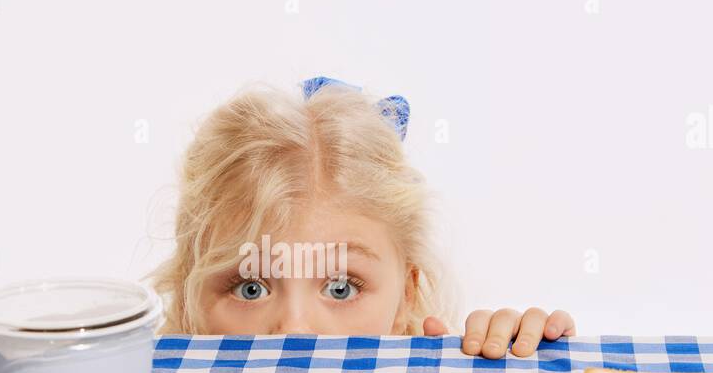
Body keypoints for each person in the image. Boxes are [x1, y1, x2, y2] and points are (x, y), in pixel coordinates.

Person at [150, 77, 575, 358]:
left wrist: (514, 355)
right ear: (190, 306)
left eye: (339, 288)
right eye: (250, 287)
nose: (295, 330)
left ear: (406, 298)